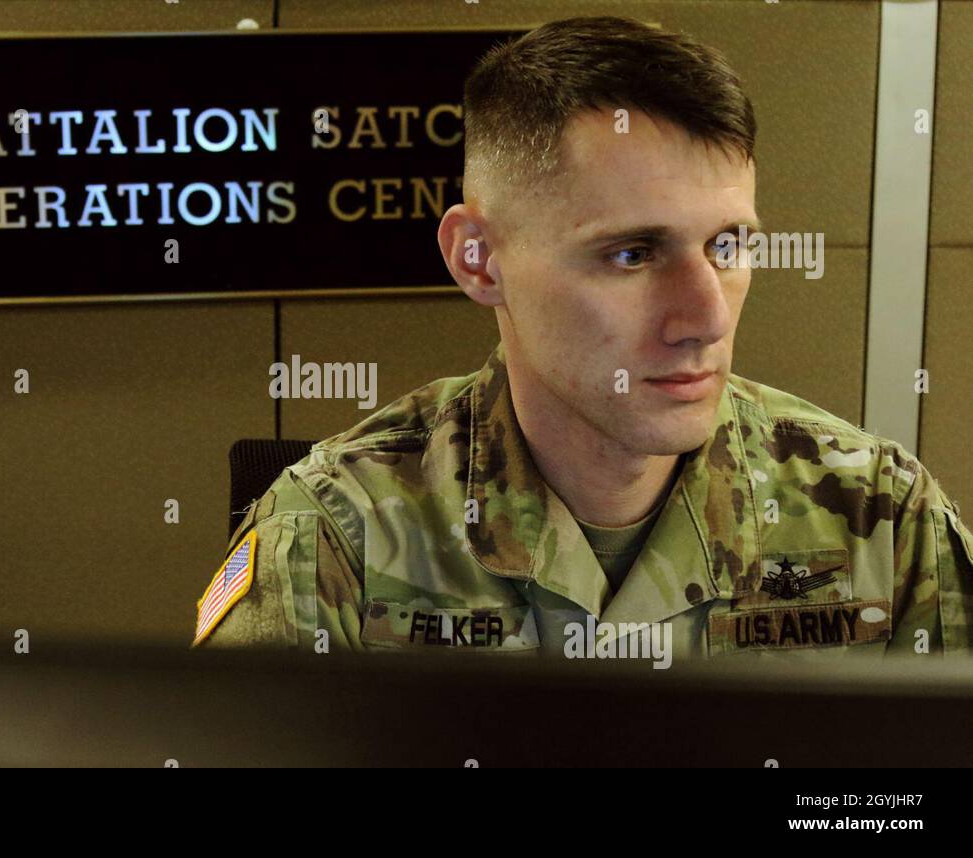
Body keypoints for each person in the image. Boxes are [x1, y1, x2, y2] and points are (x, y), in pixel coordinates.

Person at [191, 16, 973, 660]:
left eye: (728, 246)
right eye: (633, 253)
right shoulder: (337, 538)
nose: (706, 317)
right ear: (479, 259)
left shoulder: (880, 517)